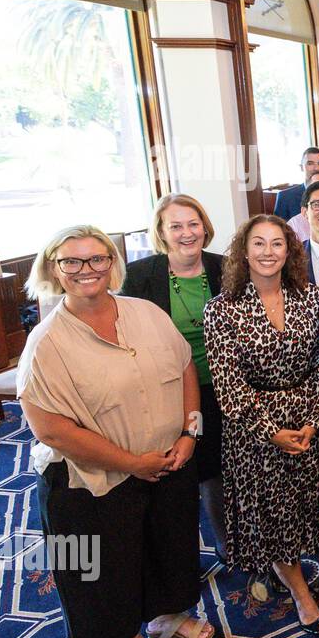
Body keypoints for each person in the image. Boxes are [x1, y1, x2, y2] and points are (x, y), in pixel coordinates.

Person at [19, 225, 212, 638]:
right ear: (54, 270)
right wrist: (130, 462)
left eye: (97, 259)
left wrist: (191, 432)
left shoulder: (144, 312)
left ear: (112, 263)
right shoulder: (47, 344)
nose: (87, 270)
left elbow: (185, 364)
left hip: (167, 460)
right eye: (73, 261)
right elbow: (49, 428)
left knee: (167, 544)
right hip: (94, 481)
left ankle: (166, 616)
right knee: (111, 564)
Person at [204, 215, 319, 635]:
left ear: (289, 251)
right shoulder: (221, 310)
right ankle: (300, 591)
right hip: (256, 434)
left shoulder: (311, 298)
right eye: (258, 244)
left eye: (276, 244)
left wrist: (315, 421)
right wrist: (271, 431)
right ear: (243, 252)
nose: (267, 252)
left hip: (308, 425)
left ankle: (307, 555)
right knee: (274, 516)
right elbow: (229, 387)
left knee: (305, 506)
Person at [121, 194, 227, 562]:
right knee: (175, 476)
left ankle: (229, 548)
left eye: (193, 224)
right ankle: (176, 564)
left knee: (217, 473)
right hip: (167, 393)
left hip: (222, 389)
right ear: (162, 233)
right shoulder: (138, 277)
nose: (187, 233)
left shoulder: (225, 269)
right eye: (176, 226)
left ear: (205, 227)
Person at [273, 146, 319, 225]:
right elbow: (279, 231)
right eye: (310, 163)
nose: (316, 168)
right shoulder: (285, 197)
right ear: (301, 167)